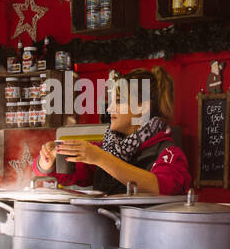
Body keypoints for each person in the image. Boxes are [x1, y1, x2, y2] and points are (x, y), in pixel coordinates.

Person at [34, 65, 190, 196]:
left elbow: (162, 187)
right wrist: (48, 161)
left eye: (118, 101)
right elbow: (63, 175)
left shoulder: (168, 153)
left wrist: (101, 158)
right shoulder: (107, 147)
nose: (109, 109)